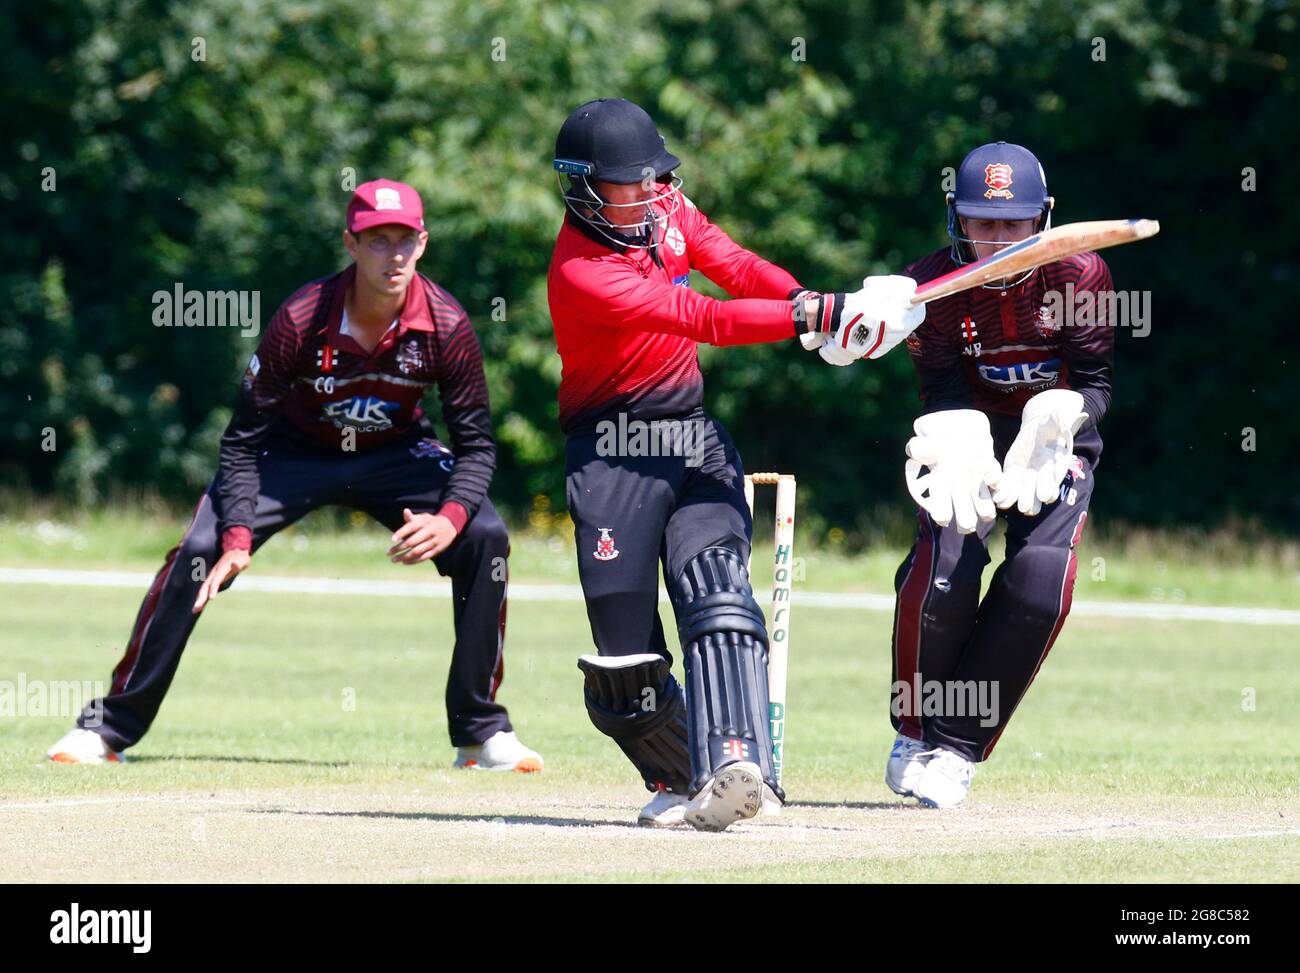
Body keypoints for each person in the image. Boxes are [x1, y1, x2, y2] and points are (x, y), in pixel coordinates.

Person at [47, 179, 543, 773]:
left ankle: (480, 733)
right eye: (377, 241)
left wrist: (450, 517)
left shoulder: (448, 325)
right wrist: (235, 540)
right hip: (288, 454)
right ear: (350, 245)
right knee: (200, 550)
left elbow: (476, 446)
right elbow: (240, 440)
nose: (393, 255)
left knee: (484, 536)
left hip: (395, 455)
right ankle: (106, 731)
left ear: (423, 244)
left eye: (405, 241)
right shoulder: (302, 318)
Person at [547, 98, 925, 830]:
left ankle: (736, 767)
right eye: (629, 185)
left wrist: (808, 300)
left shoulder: (669, 212)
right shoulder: (582, 270)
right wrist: (814, 318)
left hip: (690, 437)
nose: (651, 195)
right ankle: (675, 772)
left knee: (718, 592)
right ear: (583, 190)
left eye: (656, 179)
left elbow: (736, 267)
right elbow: (708, 320)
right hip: (612, 453)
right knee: (625, 673)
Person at [885, 142, 1116, 807]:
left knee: (1042, 583)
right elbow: (939, 386)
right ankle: (916, 727)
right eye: (982, 224)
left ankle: (957, 748)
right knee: (944, 567)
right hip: (967, 440)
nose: (997, 240)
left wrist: (1065, 414)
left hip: (1053, 439)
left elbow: (1097, 383)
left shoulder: (1081, 275)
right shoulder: (928, 285)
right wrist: (962, 435)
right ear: (957, 220)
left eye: (1013, 224)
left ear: (1043, 218)